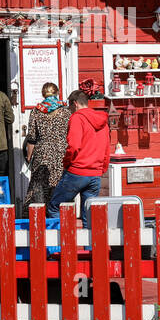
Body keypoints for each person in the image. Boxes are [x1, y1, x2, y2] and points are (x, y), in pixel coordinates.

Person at [48, 89, 110, 225]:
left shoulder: (77, 118)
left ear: (75, 104)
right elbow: (106, 148)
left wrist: (66, 162)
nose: (69, 110)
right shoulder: (103, 121)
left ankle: (60, 245)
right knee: (88, 214)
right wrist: (102, 168)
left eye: (70, 107)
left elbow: (74, 146)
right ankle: (90, 246)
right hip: (95, 173)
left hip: (77, 171)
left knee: (55, 207)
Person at [24, 82, 70, 210]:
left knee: (39, 186)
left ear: (43, 94)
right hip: (62, 152)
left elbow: (32, 137)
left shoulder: (36, 111)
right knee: (59, 184)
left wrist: (29, 156)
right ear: (57, 93)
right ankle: (60, 213)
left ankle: (40, 214)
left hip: (42, 152)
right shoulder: (65, 111)